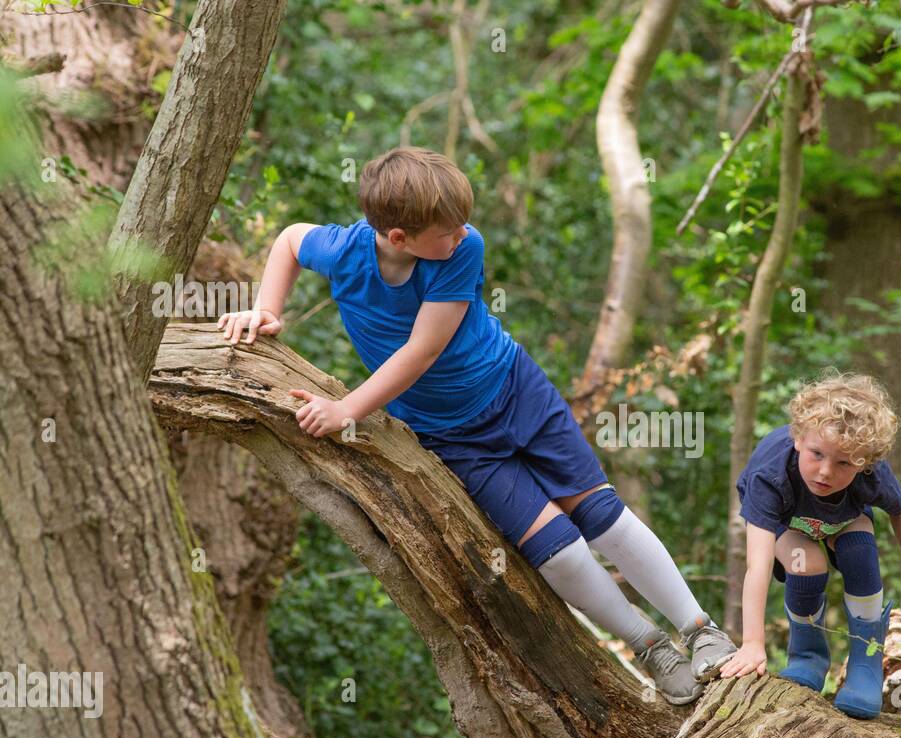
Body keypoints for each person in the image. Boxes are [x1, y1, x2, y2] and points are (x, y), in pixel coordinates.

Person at [217, 147, 736, 705]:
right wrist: (266, 307)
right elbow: (291, 239)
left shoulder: (462, 250)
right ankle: (648, 643)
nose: (465, 233)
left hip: (516, 393)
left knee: (600, 514)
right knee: (556, 550)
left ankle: (701, 630)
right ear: (398, 237)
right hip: (453, 438)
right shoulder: (345, 251)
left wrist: (349, 409)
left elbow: (420, 351)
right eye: (448, 228)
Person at [725, 370, 901, 718]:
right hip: (790, 523)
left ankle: (865, 661)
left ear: (865, 463)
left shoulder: (870, 473)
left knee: (859, 552)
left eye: (843, 463)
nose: (826, 471)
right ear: (798, 438)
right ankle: (808, 656)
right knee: (806, 560)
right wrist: (753, 642)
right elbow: (759, 564)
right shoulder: (770, 477)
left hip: (844, 516)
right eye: (816, 454)